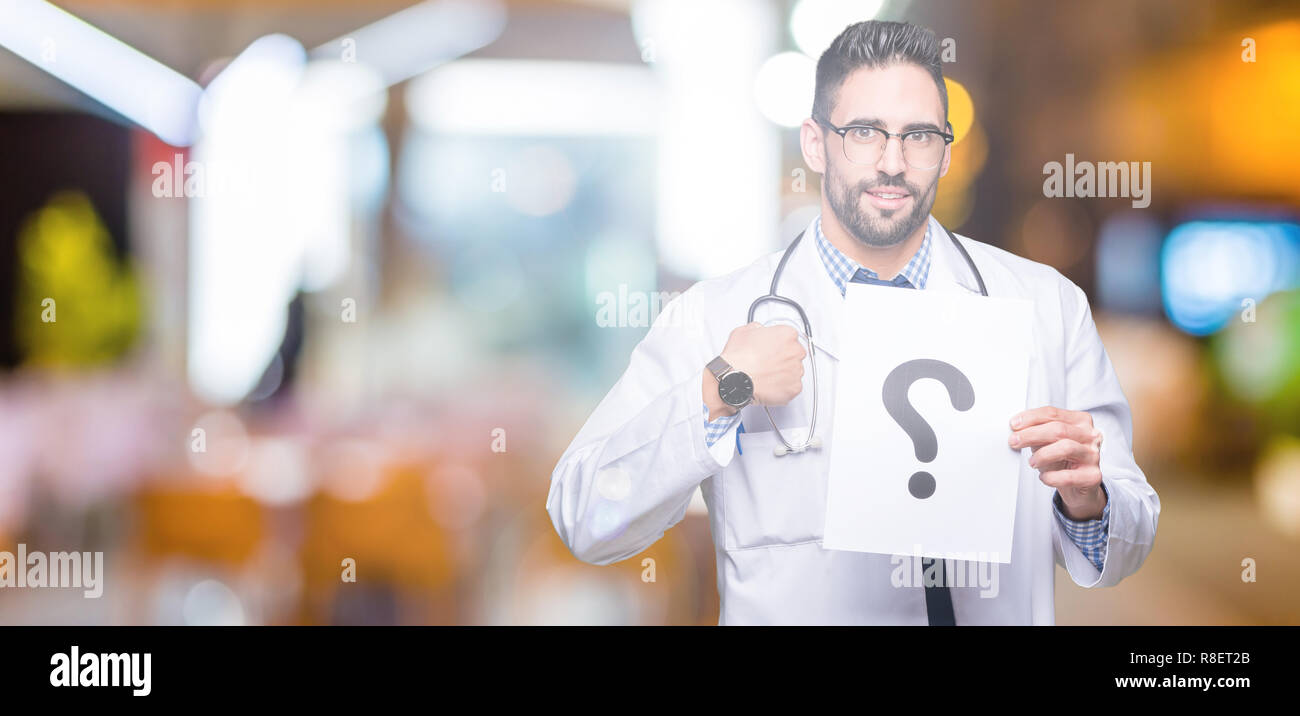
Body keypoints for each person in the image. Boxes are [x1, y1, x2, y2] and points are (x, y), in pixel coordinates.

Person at [547, 20, 1159, 625]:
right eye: (865, 132)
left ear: (946, 151)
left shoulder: (1047, 306)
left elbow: (1129, 537)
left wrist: (1088, 501)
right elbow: (585, 517)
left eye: (919, 135)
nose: (892, 163)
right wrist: (720, 391)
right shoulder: (715, 317)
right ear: (816, 143)